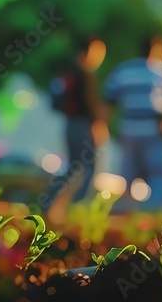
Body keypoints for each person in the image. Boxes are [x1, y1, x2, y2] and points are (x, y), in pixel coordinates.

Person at [103, 35, 162, 209]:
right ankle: (153, 215)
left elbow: (107, 104)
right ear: (157, 49)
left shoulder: (122, 71)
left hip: (128, 132)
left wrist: (104, 127)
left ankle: (126, 216)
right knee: (157, 176)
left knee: (128, 175)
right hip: (153, 132)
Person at [40, 38, 105, 211]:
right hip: (82, 126)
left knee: (74, 167)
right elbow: (90, 104)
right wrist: (97, 125)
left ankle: (47, 202)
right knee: (88, 167)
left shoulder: (68, 72)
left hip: (69, 124)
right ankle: (78, 207)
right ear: (91, 50)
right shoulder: (85, 74)